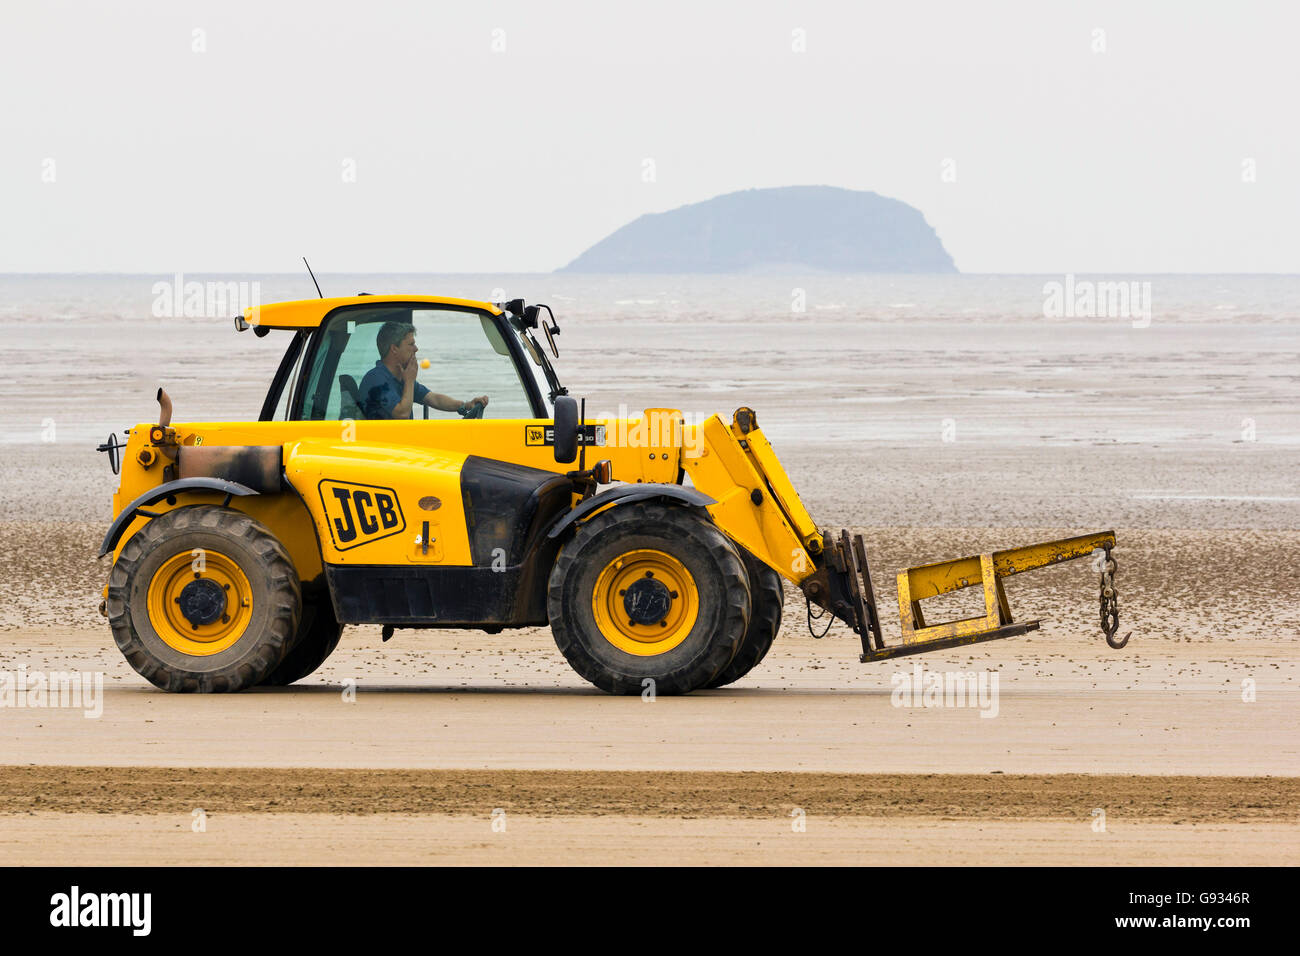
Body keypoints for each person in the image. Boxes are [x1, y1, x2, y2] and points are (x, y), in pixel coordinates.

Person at [359, 321, 488, 420]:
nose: (416, 349)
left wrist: (465, 405)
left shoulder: (400, 378)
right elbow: (402, 414)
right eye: (411, 344)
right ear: (394, 349)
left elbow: (433, 399)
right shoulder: (376, 379)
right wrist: (409, 381)